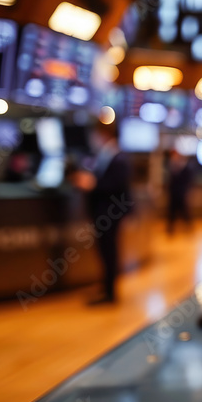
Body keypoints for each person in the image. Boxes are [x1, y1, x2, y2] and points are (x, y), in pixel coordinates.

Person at [73, 122, 132, 305]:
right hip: (102, 212)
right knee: (104, 251)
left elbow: (117, 185)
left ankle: (110, 293)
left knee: (109, 251)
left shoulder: (118, 157)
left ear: (104, 133)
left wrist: (93, 184)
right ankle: (105, 288)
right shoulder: (104, 155)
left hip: (110, 214)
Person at [165, 149, 194, 236]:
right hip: (173, 193)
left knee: (184, 211)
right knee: (172, 212)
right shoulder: (172, 166)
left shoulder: (184, 166)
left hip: (181, 193)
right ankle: (170, 229)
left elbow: (187, 181)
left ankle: (189, 227)